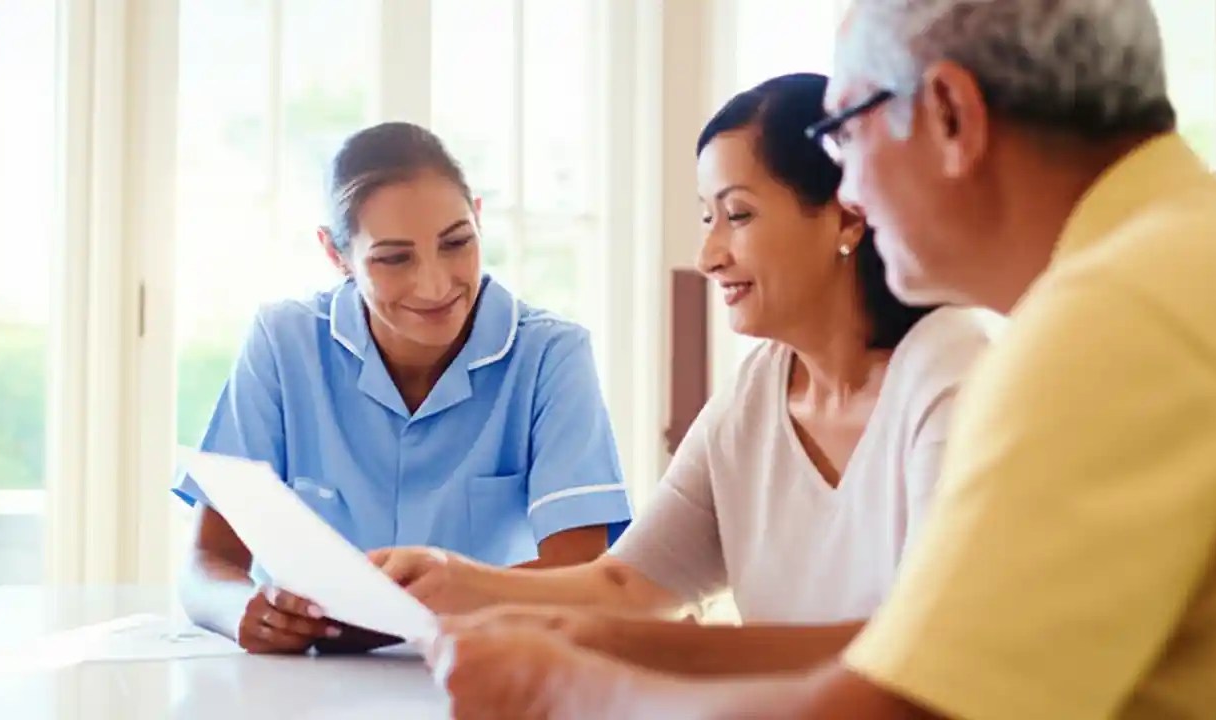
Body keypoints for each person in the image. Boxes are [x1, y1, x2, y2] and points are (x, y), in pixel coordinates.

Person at [426, 1, 1216, 718]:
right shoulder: (1203, 252)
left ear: (951, 115)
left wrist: (565, 692)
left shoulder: (1106, 321)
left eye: (844, 130)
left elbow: (911, 709)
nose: (848, 188)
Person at [371, 73, 998, 677]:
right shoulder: (758, 393)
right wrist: (447, 577)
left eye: (739, 215)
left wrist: (646, 650)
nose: (709, 255)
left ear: (848, 217)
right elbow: (628, 583)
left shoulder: (950, 374)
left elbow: (926, 646)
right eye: (707, 218)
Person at [174, 122, 633, 655]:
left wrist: (387, 618)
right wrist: (243, 612)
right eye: (394, 258)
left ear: (479, 219)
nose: (436, 284)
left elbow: (577, 571)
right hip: (306, 684)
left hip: (486, 673)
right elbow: (205, 564)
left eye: (457, 242)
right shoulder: (283, 344)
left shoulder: (552, 356)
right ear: (336, 254)